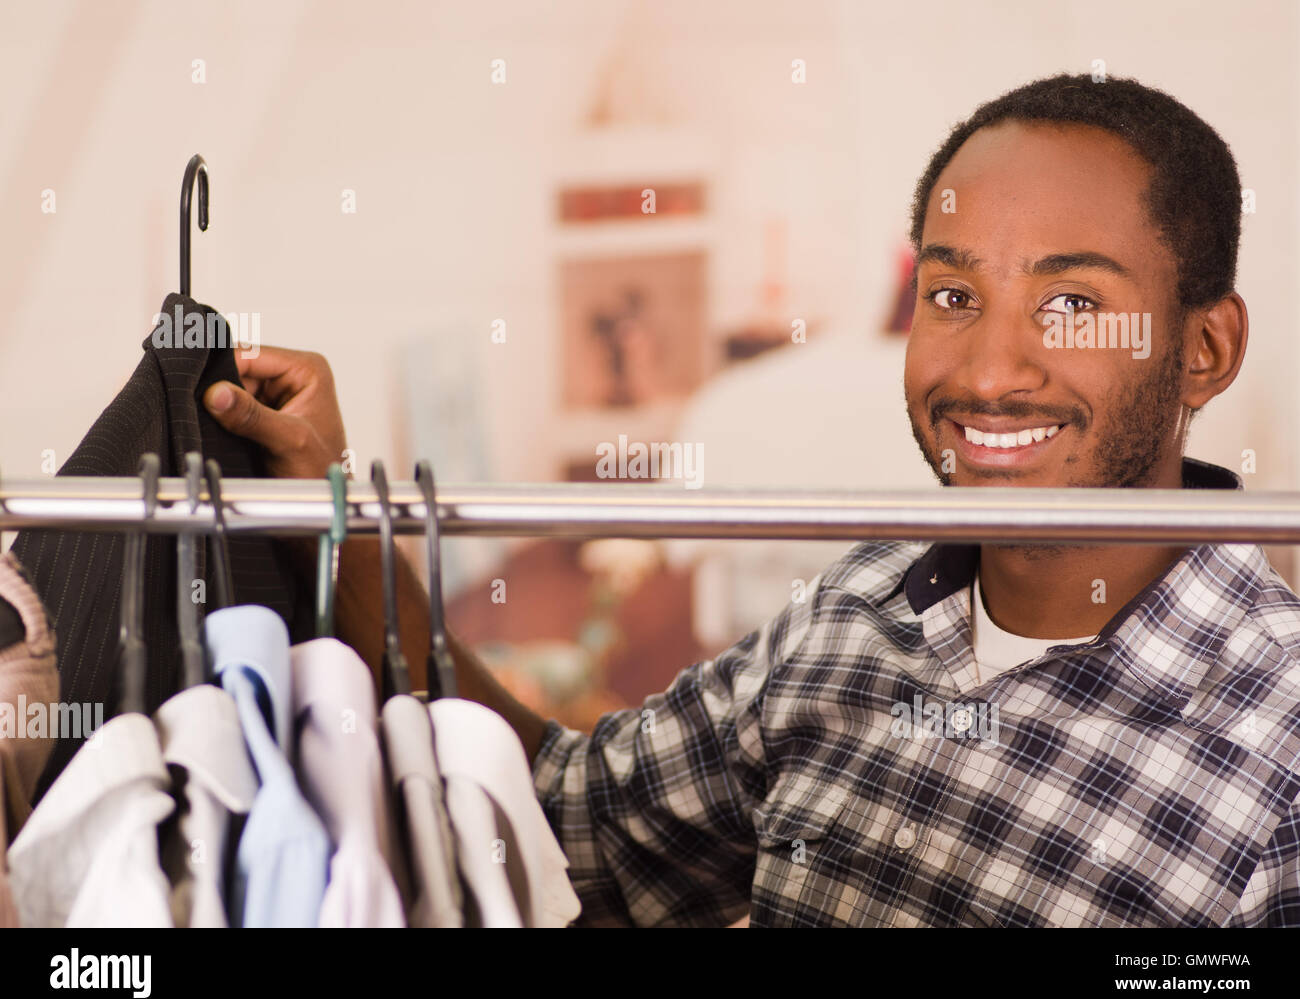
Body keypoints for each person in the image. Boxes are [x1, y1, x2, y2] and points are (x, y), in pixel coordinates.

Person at [200, 72, 1300, 927]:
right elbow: (574, 824)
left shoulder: (1280, 756)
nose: (988, 371)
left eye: (1069, 301)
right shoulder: (853, 609)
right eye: (952, 294)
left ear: (1205, 349)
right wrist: (330, 509)